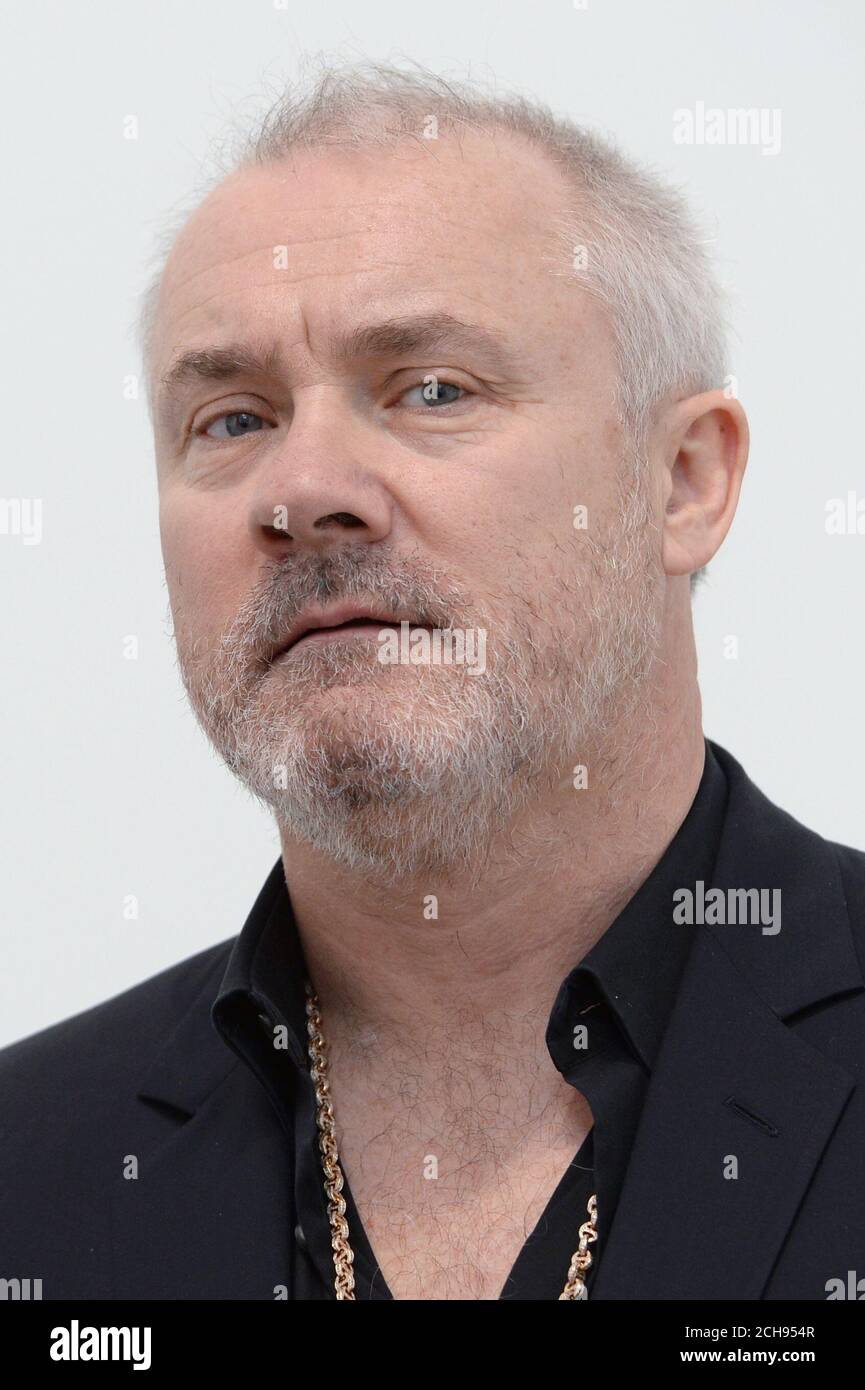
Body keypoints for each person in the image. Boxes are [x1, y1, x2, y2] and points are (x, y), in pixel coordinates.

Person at [2, 61, 863, 1302]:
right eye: (232, 420)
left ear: (682, 482)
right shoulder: (29, 1174)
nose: (303, 492)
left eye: (432, 389)